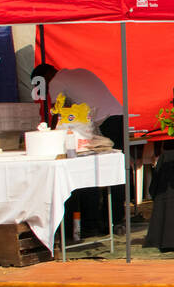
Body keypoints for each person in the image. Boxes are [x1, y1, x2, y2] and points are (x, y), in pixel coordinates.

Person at [32, 62, 129, 235]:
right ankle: (114, 220)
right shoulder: (79, 71)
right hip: (119, 115)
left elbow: (58, 114)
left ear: (46, 77)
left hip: (105, 121)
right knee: (115, 170)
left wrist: (51, 135)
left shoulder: (56, 82)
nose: (45, 90)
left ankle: (103, 221)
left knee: (103, 171)